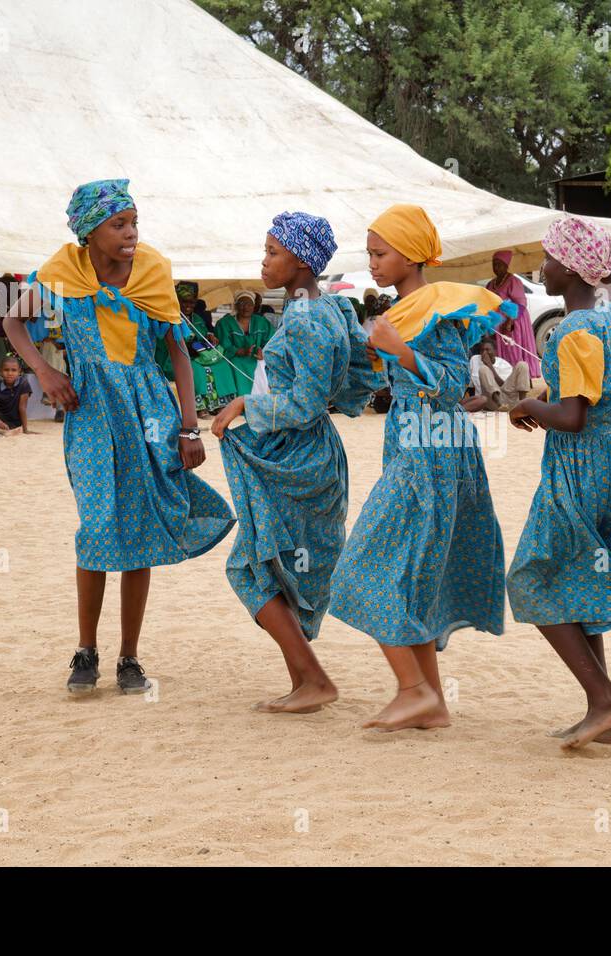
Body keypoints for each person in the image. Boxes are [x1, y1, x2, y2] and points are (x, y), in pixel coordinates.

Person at [1, 179, 235, 694]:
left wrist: (188, 426)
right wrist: (42, 370)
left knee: (142, 529)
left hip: (150, 411)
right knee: (99, 524)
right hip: (89, 413)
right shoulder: (60, 272)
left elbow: (177, 354)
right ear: (89, 231)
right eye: (118, 224)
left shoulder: (154, 271)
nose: (131, 233)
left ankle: (129, 656)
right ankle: (86, 651)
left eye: (134, 222)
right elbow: (13, 323)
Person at [329, 203, 509, 731]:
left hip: (429, 452)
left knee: (361, 566)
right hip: (413, 446)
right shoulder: (401, 309)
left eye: (381, 253)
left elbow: (455, 385)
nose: (373, 264)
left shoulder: (435, 307)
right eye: (369, 254)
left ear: (411, 253)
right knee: (414, 572)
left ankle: (413, 689)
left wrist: (401, 352)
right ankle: (429, 701)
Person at [210, 212, 383, 713]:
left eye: (272, 252)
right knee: (276, 563)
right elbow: (357, 384)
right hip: (312, 454)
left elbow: (305, 404)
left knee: (250, 567)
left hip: (297, 457)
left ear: (302, 259)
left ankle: (315, 680)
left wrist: (246, 404)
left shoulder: (307, 318)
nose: (263, 262)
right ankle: (306, 682)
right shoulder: (329, 309)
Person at [505, 216, 611, 749]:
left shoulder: (572, 330)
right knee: (580, 579)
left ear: (568, 268)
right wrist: (560, 394)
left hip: (579, 465)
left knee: (530, 577)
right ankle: (603, 711)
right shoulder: (610, 318)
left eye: (546, 259)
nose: (540, 267)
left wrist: (529, 405)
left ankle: (606, 699)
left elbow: (571, 418)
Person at [176, 283, 238, 415]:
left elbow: (201, 337)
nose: (188, 306)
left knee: (222, 365)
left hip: (197, 353)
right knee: (195, 368)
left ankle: (220, 403)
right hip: (177, 357)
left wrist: (210, 338)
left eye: (192, 303)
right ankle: (199, 407)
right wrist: (194, 347)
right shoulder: (171, 317)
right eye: (184, 302)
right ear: (177, 301)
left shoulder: (197, 318)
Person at [486, 250, 540, 378]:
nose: (496, 267)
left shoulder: (513, 281)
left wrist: (509, 322)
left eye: (499, 264)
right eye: (494, 264)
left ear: (506, 265)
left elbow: (521, 303)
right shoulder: (490, 283)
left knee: (514, 350)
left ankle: (519, 379)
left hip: (514, 321)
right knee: (501, 350)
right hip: (498, 323)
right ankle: (505, 377)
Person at [216, 290, 274, 397]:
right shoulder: (225, 323)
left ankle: (258, 400)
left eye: (249, 304)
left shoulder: (261, 322)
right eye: (242, 304)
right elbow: (222, 346)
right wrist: (239, 351)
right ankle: (239, 401)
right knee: (233, 365)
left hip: (258, 358)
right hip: (234, 359)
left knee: (264, 366)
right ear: (236, 306)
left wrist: (263, 352)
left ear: (254, 306)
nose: (246, 307)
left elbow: (272, 341)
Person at [463, 337, 531, 412]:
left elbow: (505, 386)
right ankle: (499, 404)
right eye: (482, 350)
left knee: (522, 365)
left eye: (487, 350)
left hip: (508, 399)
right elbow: (469, 385)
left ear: (495, 351)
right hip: (490, 401)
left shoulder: (503, 364)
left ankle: (523, 403)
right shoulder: (474, 360)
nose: (484, 353)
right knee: (483, 369)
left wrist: (490, 365)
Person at [0, 355, 33, 433]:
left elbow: (22, 408)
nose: (10, 373)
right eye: (6, 370)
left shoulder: (23, 384)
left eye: (14, 370)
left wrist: (25, 429)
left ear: (19, 372)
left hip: (13, 421)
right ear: (0, 371)